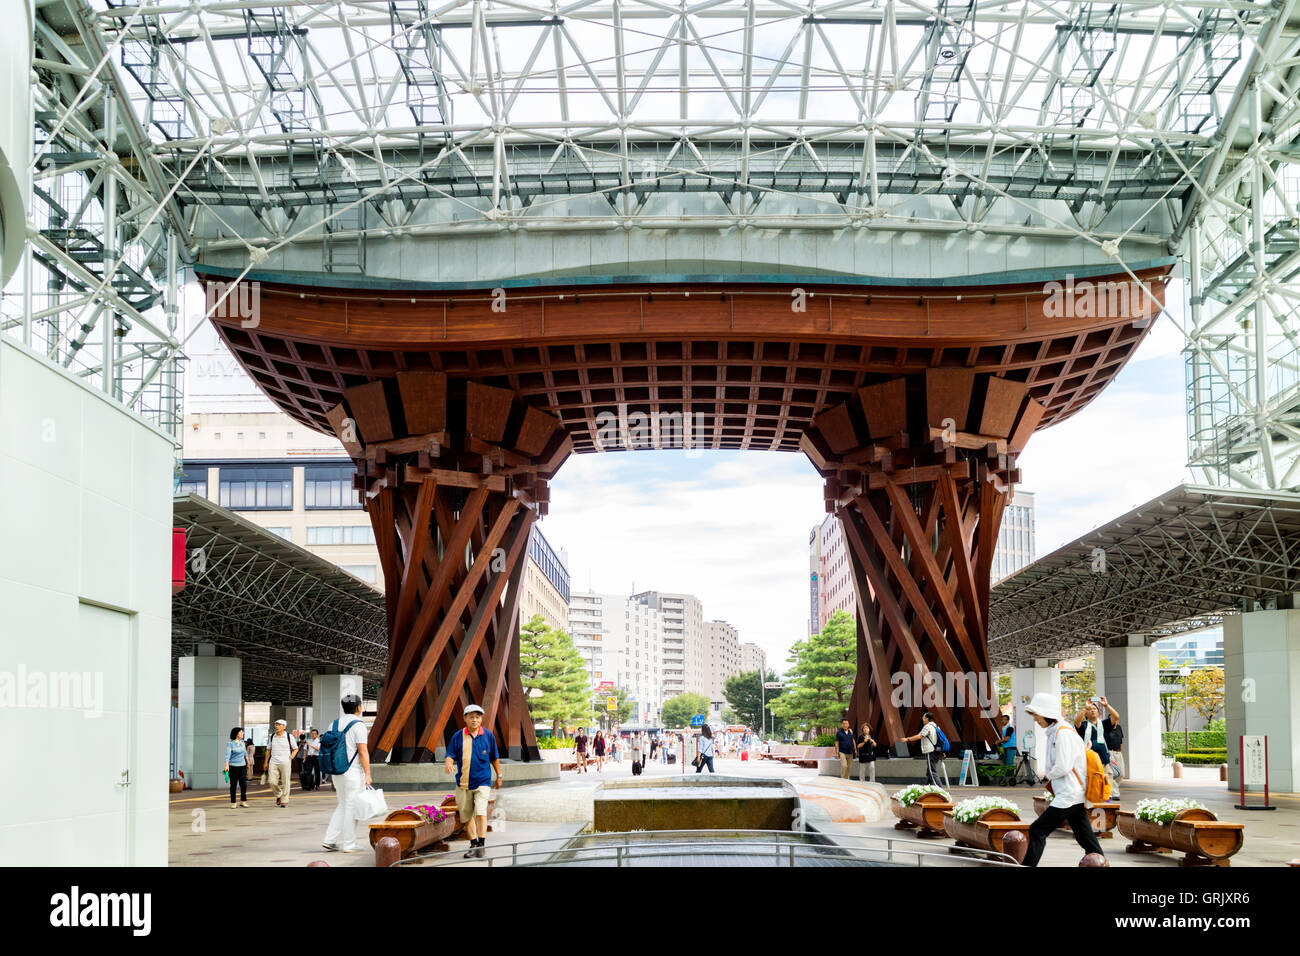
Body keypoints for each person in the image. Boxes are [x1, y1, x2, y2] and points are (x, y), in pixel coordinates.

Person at [1023, 692, 1107, 867]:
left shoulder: (1063, 733)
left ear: (1047, 713)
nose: (1036, 719)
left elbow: (1064, 766)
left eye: (1037, 715)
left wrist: (1047, 774)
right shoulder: (1057, 732)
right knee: (1086, 838)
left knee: (1037, 830)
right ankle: (1101, 863)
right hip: (1071, 793)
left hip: (1069, 794)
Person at [444, 703, 503, 859]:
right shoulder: (458, 736)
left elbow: (494, 758)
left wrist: (499, 776)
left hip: (483, 782)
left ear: (481, 719)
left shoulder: (488, 736)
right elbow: (450, 754)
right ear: (465, 719)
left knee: (481, 812)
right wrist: (448, 762)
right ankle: (473, 844)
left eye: (477, 717)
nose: (474, 720)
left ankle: (481, 845)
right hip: (463, 783)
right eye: (471, 717)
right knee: (466, 816)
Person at [321, 694, 371, 852]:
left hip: (337, 771)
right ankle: (350, 844)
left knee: (343, 805)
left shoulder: (333, 724)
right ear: (358, 707)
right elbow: (363, 751)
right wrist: (368, 773)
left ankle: (330, 839)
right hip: (353, 772)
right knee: (352, 807)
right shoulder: (358, 725)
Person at [1075, 696, 1122, 798]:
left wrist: (1106, 705)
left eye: (1094, 709)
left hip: (1104, 761)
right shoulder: (1083, 725)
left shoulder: (1104, 724)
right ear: (1086, 714)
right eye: (1090, 710)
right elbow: (1076, 722)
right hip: (1089, 762)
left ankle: (1106, 802)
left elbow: (1116, 716)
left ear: (1098, 712)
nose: (1092, 711)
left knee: (1106, 785)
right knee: (1090, 785)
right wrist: (1085, 708)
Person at [900, 712, 943, 786]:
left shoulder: (927, 726)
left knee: (932, 771)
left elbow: (920, 736)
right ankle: (926, 789)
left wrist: (907, 739)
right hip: (936, 751)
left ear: (927, 718)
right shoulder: (936, 726)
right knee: (929, 771)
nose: (922, 719)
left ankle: (940, 789)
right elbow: (940, 740)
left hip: (931, 751)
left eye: (923, 717)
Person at [267, 719, 298, 807]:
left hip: (285, 761)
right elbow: (268, 749)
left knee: (286, 781)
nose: (276, 726)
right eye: (276, 725)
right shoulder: (272, 736)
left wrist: (291, 757)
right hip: (273, 761)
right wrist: (266, 762)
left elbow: (295, 748)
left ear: (284, 727)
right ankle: (279, 794)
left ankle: (285, 800)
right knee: (272, 781)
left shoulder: (289, 736)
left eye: (279, 725)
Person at [224, 727, 249, 808]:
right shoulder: (230, 744)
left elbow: (245, 754)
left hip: (243, 766)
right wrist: (226, 765)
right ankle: (233, 802)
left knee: (243, 785)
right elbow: (227, 755)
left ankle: (243, 801)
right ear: (236, 734)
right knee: (234, 785)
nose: (243, 734)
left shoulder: (242, 743)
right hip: (233, 767)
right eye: (241, 732)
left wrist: (248, 763)